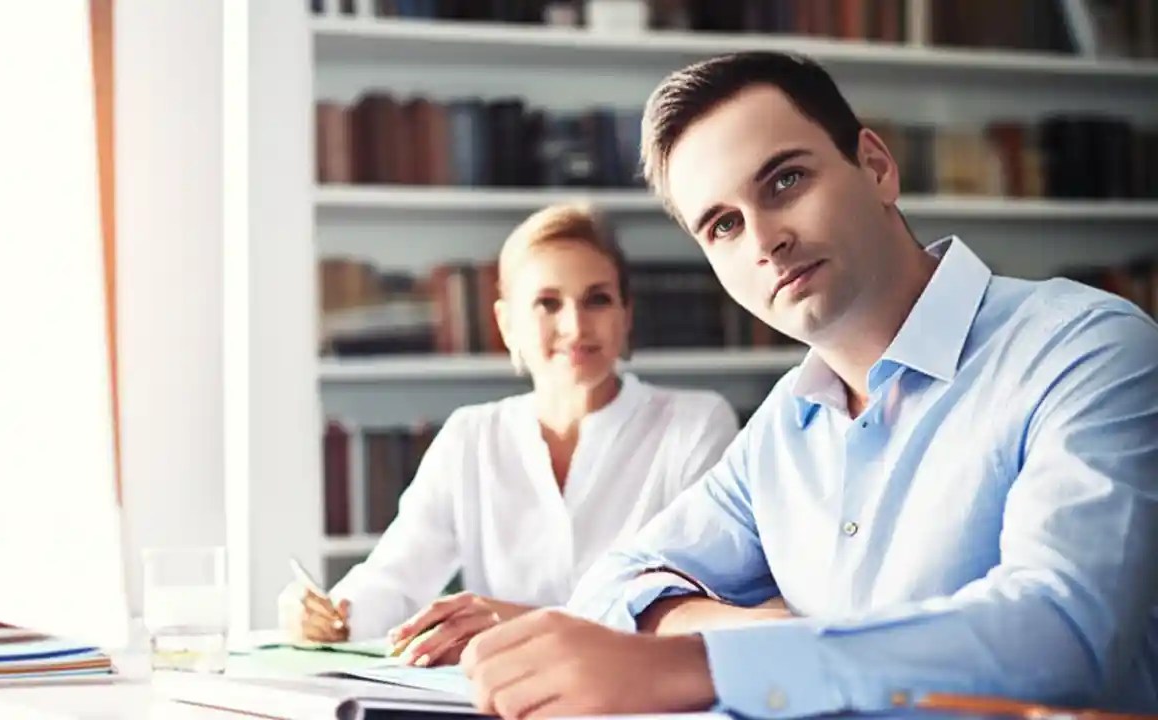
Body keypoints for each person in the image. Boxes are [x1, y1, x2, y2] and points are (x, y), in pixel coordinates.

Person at [458, 51, 1158, 719]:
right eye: (724, 224)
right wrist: (758, 637)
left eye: (785, 181)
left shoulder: (1086, 346)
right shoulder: (783, 427)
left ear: (876, 167)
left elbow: (1063, 634)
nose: (764, 240)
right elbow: (613, 585)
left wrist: (695, 664)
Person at [277, 203, 752, 666]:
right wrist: (331, 617)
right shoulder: (471, 436)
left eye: (597, 299)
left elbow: (698, 603)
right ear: (507, 324)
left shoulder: (694, 425)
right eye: (548, 303)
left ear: (626, 316)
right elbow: (395, 581)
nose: (575, 325)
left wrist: (521, 621)